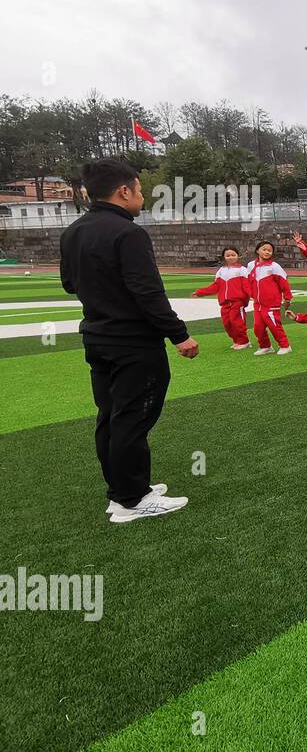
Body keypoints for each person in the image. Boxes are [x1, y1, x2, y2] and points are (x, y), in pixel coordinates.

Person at [59, 159, 197, 523]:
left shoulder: (74, 231)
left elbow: (69, 284)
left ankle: (121, 490)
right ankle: (131, 500)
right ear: (124, 191)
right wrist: (179, 335)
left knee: (111, 415)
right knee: (131, 420)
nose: (142, 197)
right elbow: (147, 291)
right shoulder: (129, 233)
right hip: (133, 343)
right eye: (139, 189)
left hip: (97, 336)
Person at [192, 247, 251, 349]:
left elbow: (247, 286)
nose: (230, 257)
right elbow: (215, 286)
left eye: (233, 255)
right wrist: (200, 292)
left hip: (237, 302)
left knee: (237, 322)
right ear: (224, 257)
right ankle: (236, 340)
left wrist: (254, 295)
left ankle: (244, 341)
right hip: (224, 303)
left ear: (238, 256)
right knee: (227, 324)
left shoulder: (242, 270)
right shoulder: (221, 271)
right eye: (228, 255)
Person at [246, 240, 293, 355]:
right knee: (258, 327)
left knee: (274, 326)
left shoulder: (274, 267)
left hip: (271, 303)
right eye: (264, 249)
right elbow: (249, 281)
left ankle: (285, 345)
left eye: (270, 250)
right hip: (258, 303)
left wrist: (287, 298)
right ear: (258, 250)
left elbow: (284, 283)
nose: (267, 252)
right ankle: (265, 346)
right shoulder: (251, 265)